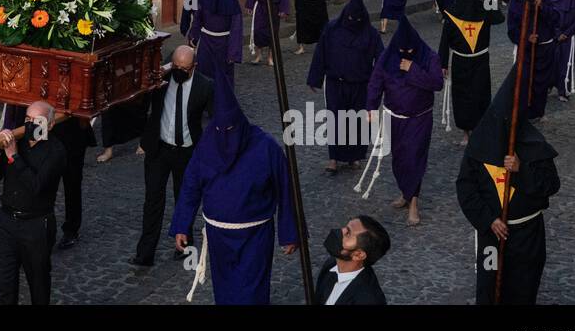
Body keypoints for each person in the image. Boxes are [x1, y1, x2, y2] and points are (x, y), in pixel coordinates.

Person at [170, 62, 299, 305]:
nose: (225, 135)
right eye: (221, 129)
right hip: (219, 236)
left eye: (230, 129)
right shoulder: (208, 144)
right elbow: (190, 186)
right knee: (225, 289)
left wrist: (290, 233)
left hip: (255, 235)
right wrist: (181, 225)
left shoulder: (265, 147)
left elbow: (286, 189)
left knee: (252, 291)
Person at [456, 72, 560, 305]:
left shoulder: (534, 146)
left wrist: (522, 170)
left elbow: (551, 185)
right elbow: (465, 187)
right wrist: (488, 220)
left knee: (523, 289)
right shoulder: (479, 146)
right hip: (492, 236)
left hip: (527, 235)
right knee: (489, 290)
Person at [131, 45, 214, 267]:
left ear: (193, 67)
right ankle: (145, 253)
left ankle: (184, 247)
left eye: (183, 68)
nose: (178, 71)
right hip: (159, 149)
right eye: (175, 66)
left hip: (187, 152)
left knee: (184, 199)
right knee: (152, 201)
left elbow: (216, 119)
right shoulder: (162, 81)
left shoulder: (204, 86)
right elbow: (140, 96)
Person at [0, 100, 67, 305]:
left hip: (36, 226)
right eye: (27, 119)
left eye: (37, 120)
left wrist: (14, 157)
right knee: (3, 286)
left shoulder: (56, 151)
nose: (31, 124)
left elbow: (36, 186)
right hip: (6, 223)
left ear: (50, 124)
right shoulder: (17, 142)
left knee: (38, 284)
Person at [365, 17, 444, 227]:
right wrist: (370, 107)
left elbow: (437, 83)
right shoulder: (387, 57)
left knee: (414, 158)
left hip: (419, 118)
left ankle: (414, 204)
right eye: (403, 51)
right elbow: (376, 81)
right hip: (394, 117)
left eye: (410, 52)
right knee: (399, 159)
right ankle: (405, 192)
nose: (406, 55)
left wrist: (413, 69)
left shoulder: (429, 57)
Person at [307, 0, 382, 174]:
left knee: (358, 122)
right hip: (335, 83)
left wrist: (380, 83)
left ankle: (355, 156)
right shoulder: (332, 29)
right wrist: (314, 79)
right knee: (335, 119)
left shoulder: (371, 34)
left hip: (361, 84)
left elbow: (381, 59)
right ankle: (333, 158)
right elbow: (320, 54)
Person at [439, 0, 504, 141]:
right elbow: (444, 41)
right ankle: (466, 132)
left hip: (479, 62)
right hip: (462, 61)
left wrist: (486, 0)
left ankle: (478, 130)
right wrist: (443, 63)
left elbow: (499, 18)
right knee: (463, 97)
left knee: (479, 95)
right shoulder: (452, 14)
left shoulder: (483, 11)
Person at [185, 0, 244, 84]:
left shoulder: (223, 2)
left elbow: (236, 30)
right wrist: (193, 37)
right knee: (205, 75)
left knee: (221, 76)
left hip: (221, 45)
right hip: (208, 43)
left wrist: (232, 53)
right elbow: (198, 20)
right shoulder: (215, 1)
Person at [505, 0, 562, 121]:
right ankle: (525, 111)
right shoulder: (517, 0)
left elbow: (556, 18)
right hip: (527, 50)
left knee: (542, 84)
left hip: (544, 49)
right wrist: (526, 38)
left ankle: (539, 111)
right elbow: (512, 28)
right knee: (524, 82)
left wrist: (541, 5)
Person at [314, 216, 390, 305]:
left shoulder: (369, 299)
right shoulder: (331, 264)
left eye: (348, 233)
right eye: (345, 227)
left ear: (358, 255)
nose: (341, 230)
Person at [50, 115, 96, 250]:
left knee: (72, 183)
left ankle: (71, 229)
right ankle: (45, 229)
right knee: (47, 184)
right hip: (49, 130)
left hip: (73, 132)